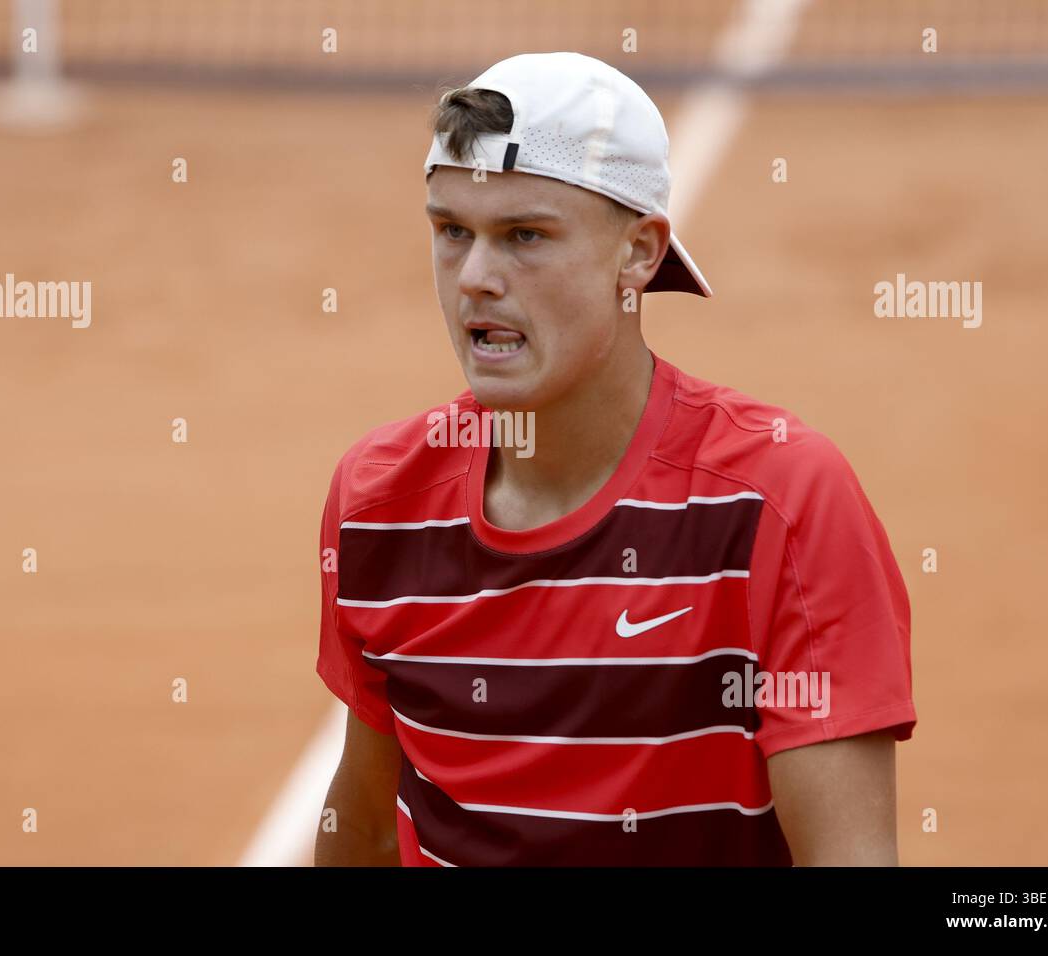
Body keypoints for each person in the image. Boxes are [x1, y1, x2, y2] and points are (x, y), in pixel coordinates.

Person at [313, 52, 916, 866]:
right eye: (452, 231)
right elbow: (366, 832)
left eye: (524, 235)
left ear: (638, 253)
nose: (476, 279)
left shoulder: (779, 502)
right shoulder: (379, 499)